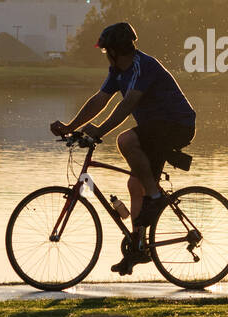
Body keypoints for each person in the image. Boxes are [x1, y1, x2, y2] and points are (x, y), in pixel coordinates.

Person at [50, 21, 196, 274]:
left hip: (177, 125)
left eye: (107, 51)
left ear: (116, 50)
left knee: (125, 140)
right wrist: (70, 126)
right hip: (155, 127)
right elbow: (100, 100)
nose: (106, 56)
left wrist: (99, 131)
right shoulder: (118, 72)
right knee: (133, 184)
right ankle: (138, 248)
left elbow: (127, 105)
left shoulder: (143, 66)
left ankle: (156, 197)